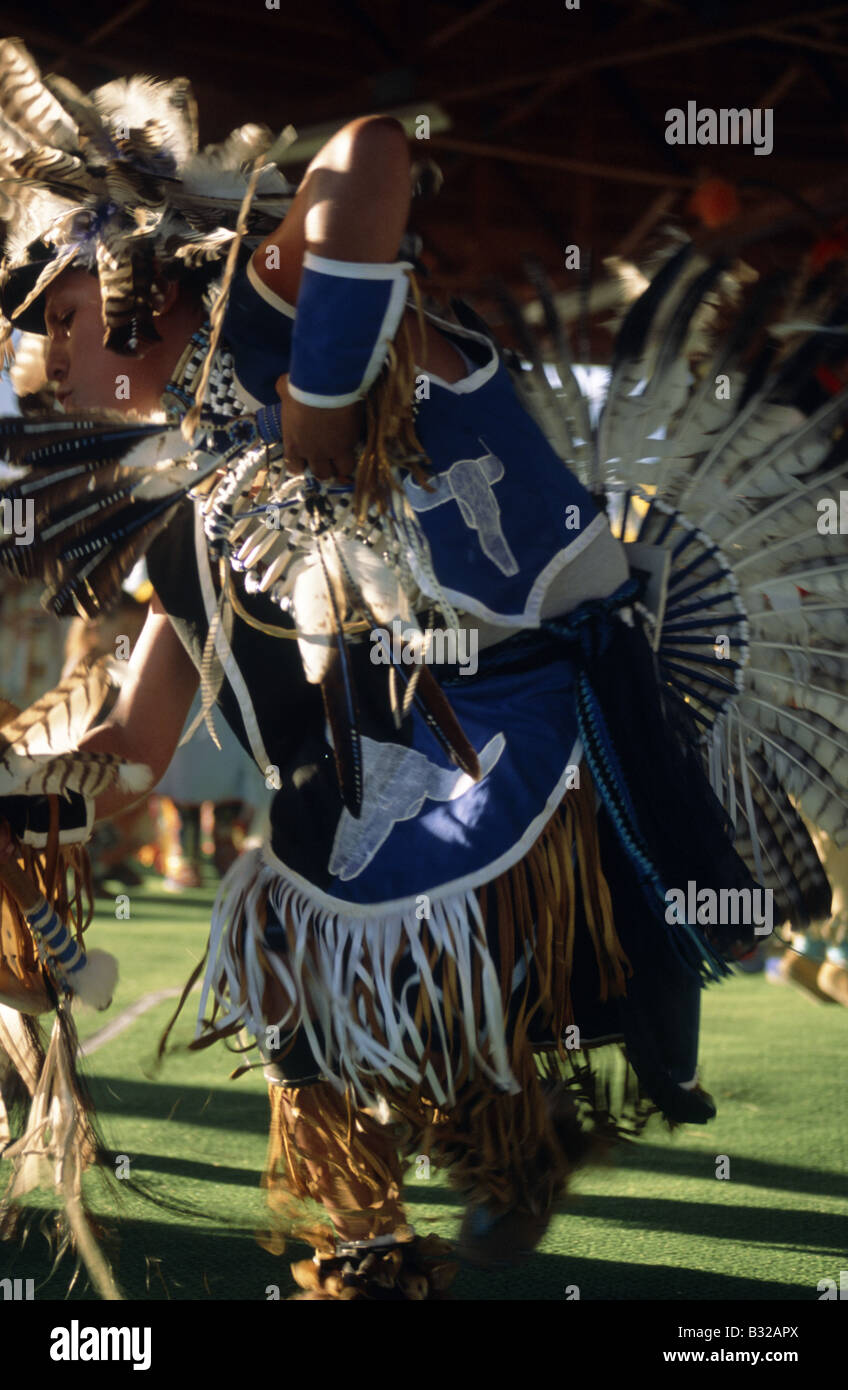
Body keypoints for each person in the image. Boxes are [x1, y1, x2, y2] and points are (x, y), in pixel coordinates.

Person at [0, 48, 769, 1299]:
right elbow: (134, 756)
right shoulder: (184, 526)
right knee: (286, 938)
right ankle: (364, 1251)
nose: (40, 353)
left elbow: (371, 152)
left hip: (525, 735)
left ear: (126, 276)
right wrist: (19, 802)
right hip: (370, 796)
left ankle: (509, 1145)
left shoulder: (280, 316)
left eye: (51, 314)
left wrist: (312, 400)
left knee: (473, 1004)